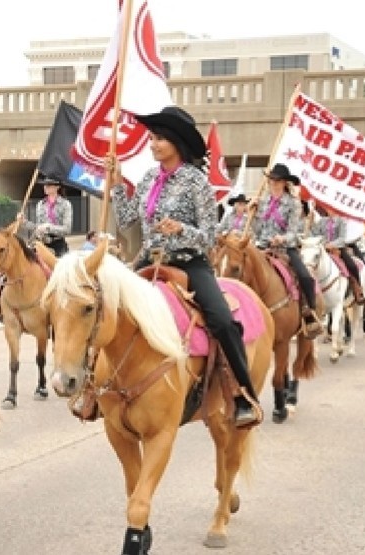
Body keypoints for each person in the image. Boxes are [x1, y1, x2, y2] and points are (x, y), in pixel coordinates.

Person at [106, 105, 262, 429]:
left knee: (221, 319)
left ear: (176, 142)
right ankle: (98, 390)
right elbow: (126, 220)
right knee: (106, 307)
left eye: (159, 138)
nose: (152, 144)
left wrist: (181, 229)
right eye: (151, 138)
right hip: (150, 260)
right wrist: (117, 183)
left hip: (190, 264)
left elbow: (209, 237)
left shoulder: (197, 183)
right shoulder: (149, 178)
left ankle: (242, 394)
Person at [250, 163, 324, 339]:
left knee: (305, 276)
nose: (273, 184)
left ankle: (308, 313)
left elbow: (295, 231)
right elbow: (257, 229)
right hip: (261, 246)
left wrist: (282, 239)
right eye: (271, 180)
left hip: (285, 248)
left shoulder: (294, 203)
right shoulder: (262, 201)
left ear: (284, 183)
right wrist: (251, 213)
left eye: (277, 180)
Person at [311, 205, 365, 303]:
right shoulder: (321, 221)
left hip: (338, 249)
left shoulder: (341, 221)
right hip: (323, 249)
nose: (330, 210)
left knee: (352, 265)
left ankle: (358, 291)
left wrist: (331, 245)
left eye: (332, 208)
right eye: (328, 208)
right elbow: (315, 234)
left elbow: (342, 239)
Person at [18, 175, 73, 256]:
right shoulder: (40, 204)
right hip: (41, 244)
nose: (45, 187)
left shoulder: (65, 204)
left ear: (57, 187)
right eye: (44, 184)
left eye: (49, 185)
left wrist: (48, 227)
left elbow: (67, 229)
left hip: (58, 245)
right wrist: (24, 222)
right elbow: (37, 227)